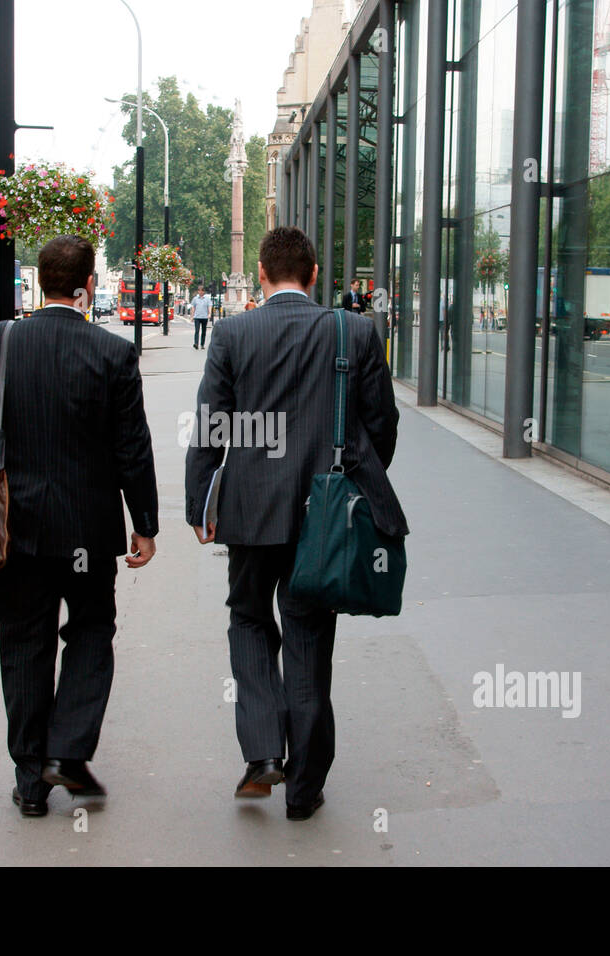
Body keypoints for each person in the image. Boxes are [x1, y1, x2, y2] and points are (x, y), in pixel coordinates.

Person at [184, 226, 406, 821]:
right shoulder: (354, 331)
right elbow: (380, 427)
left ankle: (261, 755)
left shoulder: (232, 333)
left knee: (250, 622)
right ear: (313, 275)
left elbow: (210, 426)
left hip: (250, 513)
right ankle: (305, 791)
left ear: (261, 272)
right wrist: (348, 486)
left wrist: (198, 505)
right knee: (309, 642)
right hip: (323, 518)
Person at [0, 235, 159, 819]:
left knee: (23, 645)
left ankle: (29, 780)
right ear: (87, 286)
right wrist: (144, 524)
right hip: (88, 533)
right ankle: (68, 750)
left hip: (12, 528)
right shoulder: (114, 354)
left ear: (40, 283)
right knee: (91, 633)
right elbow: (132, 450)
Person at [191, 284, 212, 349]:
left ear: (204, 292)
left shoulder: (207, 299)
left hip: (204, 317)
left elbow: (209, 306)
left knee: (203, 331)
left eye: (201, 291)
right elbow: (193, 307)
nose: (200, 292)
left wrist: (209, 314)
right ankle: (196, 343)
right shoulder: (195, 299)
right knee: (197, 331)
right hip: (197, 317)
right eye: (199, 291)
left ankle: (202, 344)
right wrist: (192, 316)